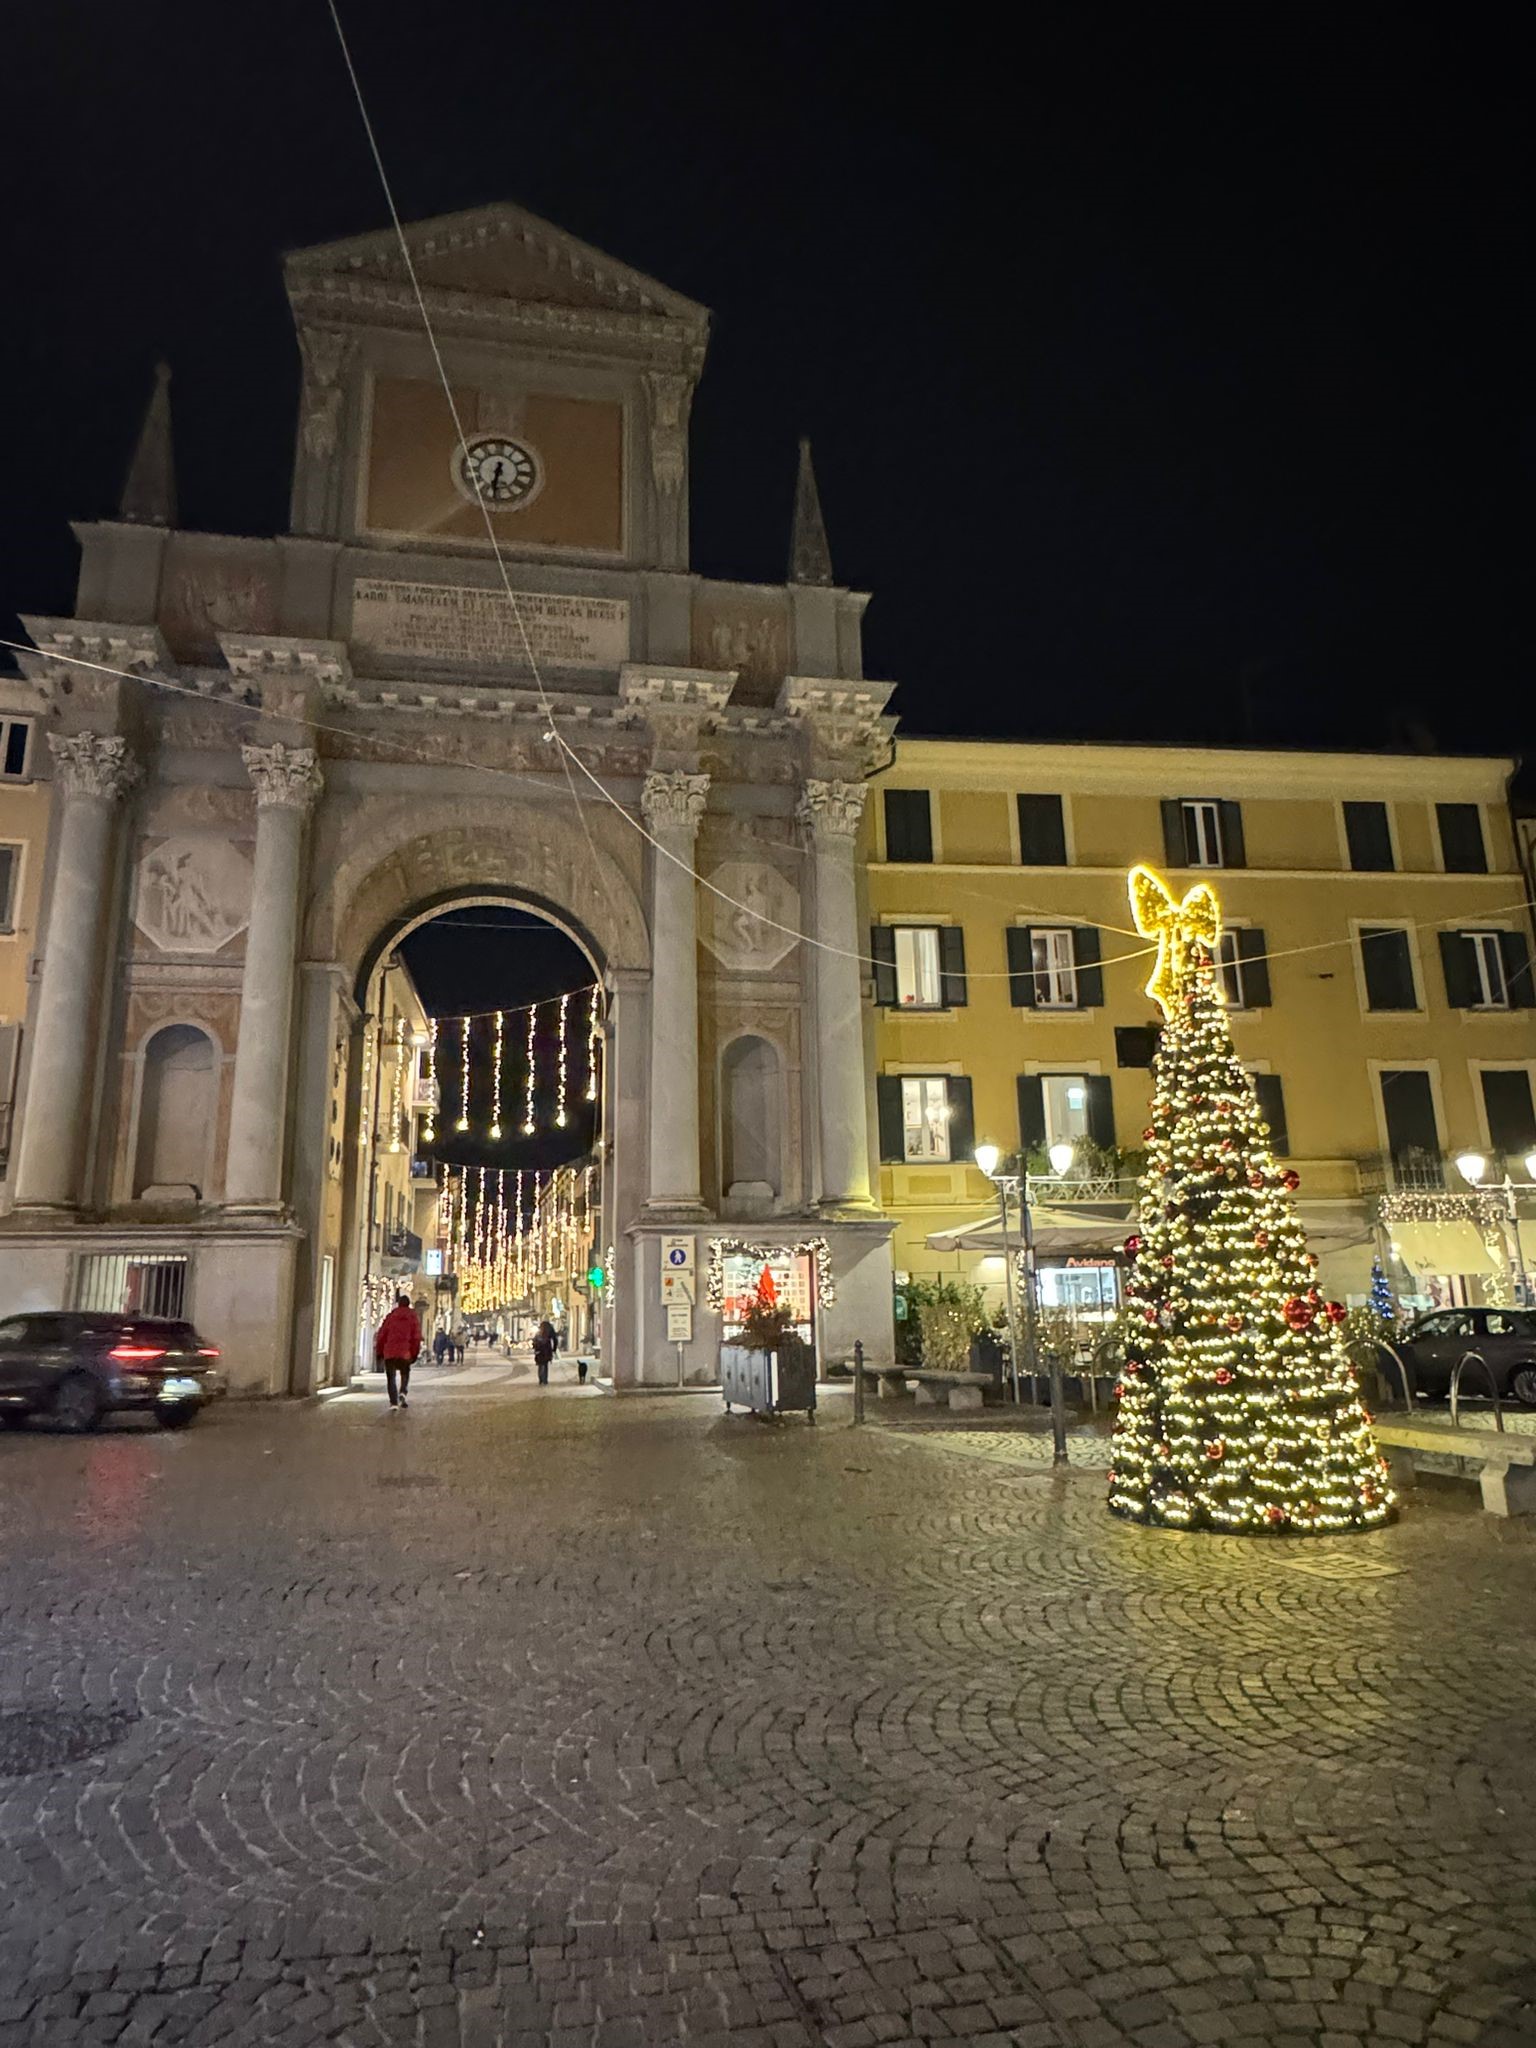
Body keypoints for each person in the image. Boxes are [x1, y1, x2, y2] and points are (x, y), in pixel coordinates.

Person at [375, 1292, 422, 1411]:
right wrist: (415, 1353)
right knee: (405, 1373)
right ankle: (403, 1391)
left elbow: (382, 1335)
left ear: (398, 1304)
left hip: (390, 1351)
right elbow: (416, 1337)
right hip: (405, 1352)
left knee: (391, 1377)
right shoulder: (413, 1317)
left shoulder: (391, 1316)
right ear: (408, 1304)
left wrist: (379, 1351)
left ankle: (393, 1402)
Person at [532, 1318, 557, 1386]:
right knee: (545, 1365)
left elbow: (534, 1341)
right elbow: (555, 1339)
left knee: (540, 1364)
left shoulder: (539, 1331)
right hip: (547, 1350)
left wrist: (535, 1348)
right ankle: (545, 1379)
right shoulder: (550, 1331)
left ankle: (541, 1379)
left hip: (539, 1350)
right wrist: (554, 1349)